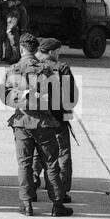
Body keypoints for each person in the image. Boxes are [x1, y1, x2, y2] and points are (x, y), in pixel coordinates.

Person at [3, 33, 65, 216]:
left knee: (25, 165)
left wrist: (20, 99)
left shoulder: (13, 69)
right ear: (36, 49)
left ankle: (27, 204)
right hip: (44, 123)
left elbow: (4, 97)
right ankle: (57, 205)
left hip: (22, 122)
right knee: (51, 164)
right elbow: (57, 100)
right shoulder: (47, 69)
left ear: (21, 48)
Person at [32, 37, 77, 210]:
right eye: (57, 51)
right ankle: (62, 191)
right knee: (62, 155)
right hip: (58, 119)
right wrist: (67, 113)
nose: (59, 54)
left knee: (37, 152)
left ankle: (33, 185)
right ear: (51, 52)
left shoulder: (32, 65)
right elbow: (70, 96)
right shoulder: (62, 67)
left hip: (37, 118)